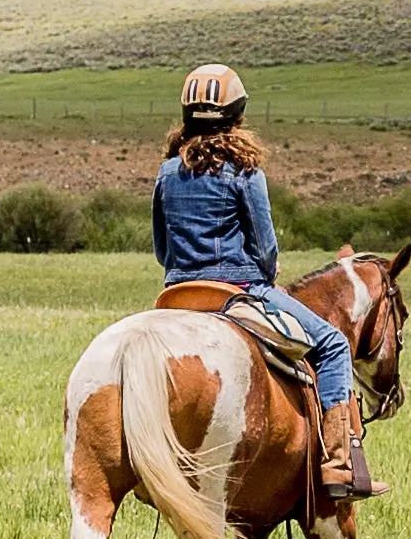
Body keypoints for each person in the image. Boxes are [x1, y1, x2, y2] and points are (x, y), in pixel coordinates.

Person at [152, 63, 373, 499]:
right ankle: (337, 463)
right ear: (237, 115)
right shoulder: (245, 172)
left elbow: (162, 249)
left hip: (176, 294)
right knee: (332, 344)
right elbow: (266, 246)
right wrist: (265, 272)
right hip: (239, 291)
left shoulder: (166, 173)